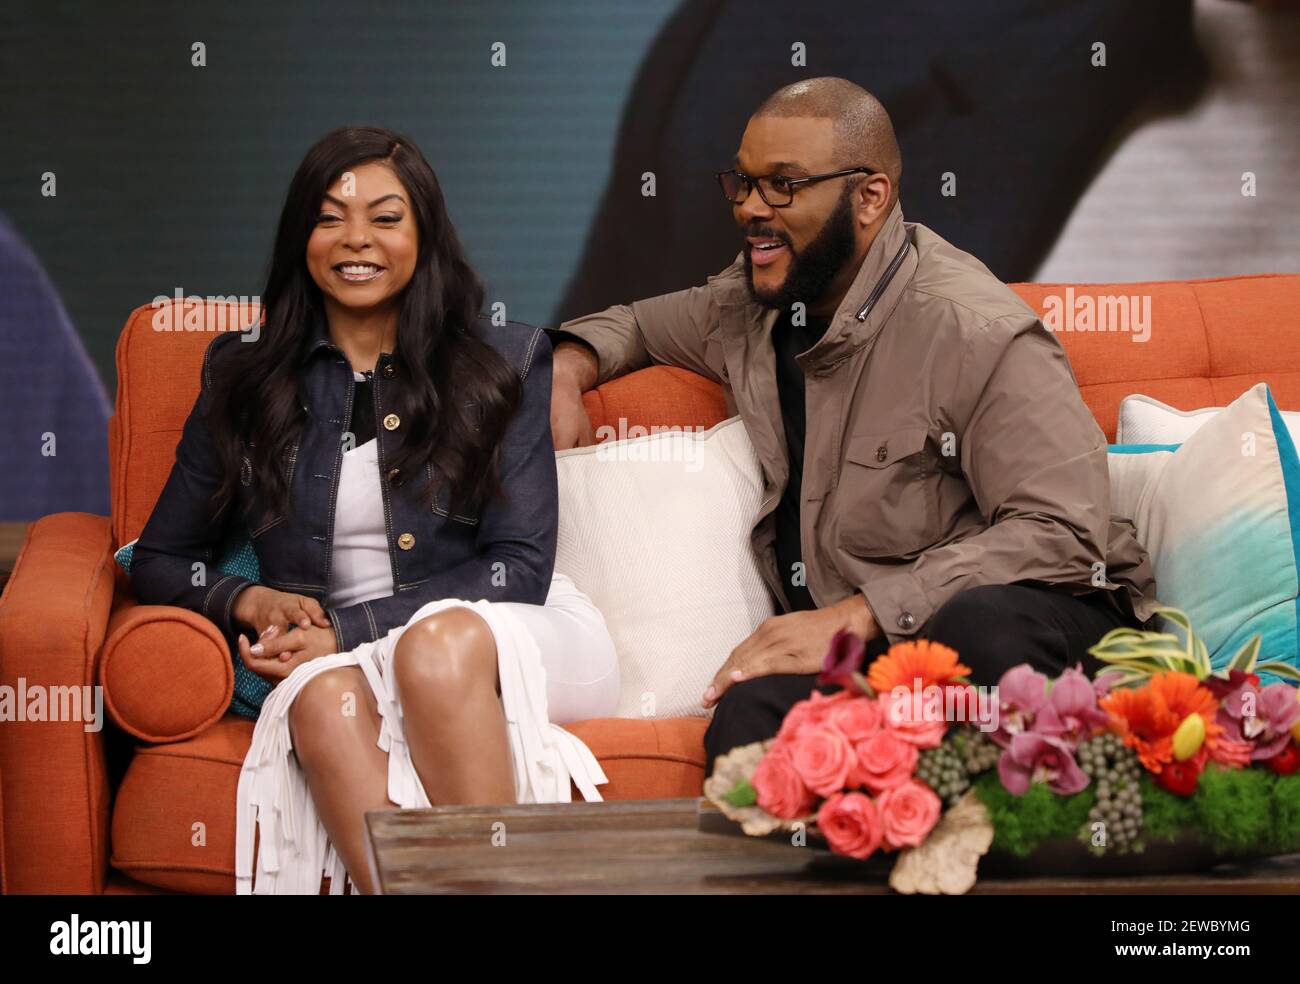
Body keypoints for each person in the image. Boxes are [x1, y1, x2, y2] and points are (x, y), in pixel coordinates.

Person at [547, 78, 1159, 775]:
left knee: (980, 625)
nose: (751, 207)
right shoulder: (754, 300)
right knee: (748, 724)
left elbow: (1066, 533)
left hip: (1044, 633)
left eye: (783, 186)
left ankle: (1021, 843)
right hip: (885, 663)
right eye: (742, 182)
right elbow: (634, 324)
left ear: (870, 197)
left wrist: (863, 612)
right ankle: (908, 835)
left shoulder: (975, 330)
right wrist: (568, 367)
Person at [130, 126, 618, 894]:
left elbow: (518, 568)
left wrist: (344, 628)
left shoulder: (504, 360)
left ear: (424, 234)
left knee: (435, 646)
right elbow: (158, 559)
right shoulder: (244, 374)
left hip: (503, 634)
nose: (357, 238)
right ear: (303, 237)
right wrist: (247, 598)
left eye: (386, 218)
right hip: (342, 658)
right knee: (320, 702)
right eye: (331, 217)